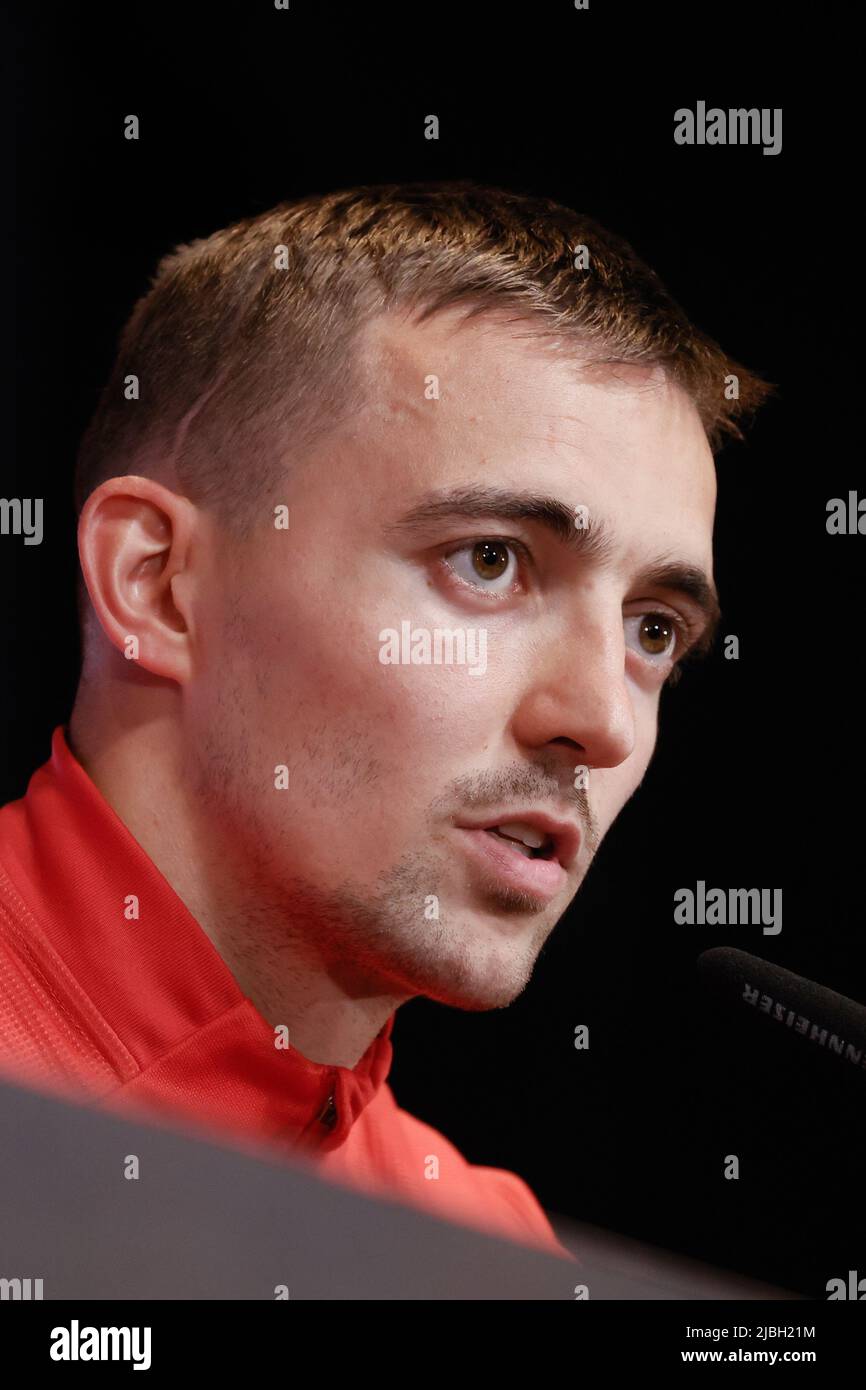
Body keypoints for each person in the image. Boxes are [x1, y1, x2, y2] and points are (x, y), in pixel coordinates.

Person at [0, 180, 771, 1261]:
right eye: (489, 561)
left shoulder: (487, 1255)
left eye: (652, 629)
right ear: (160, 583)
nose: (599, 719)